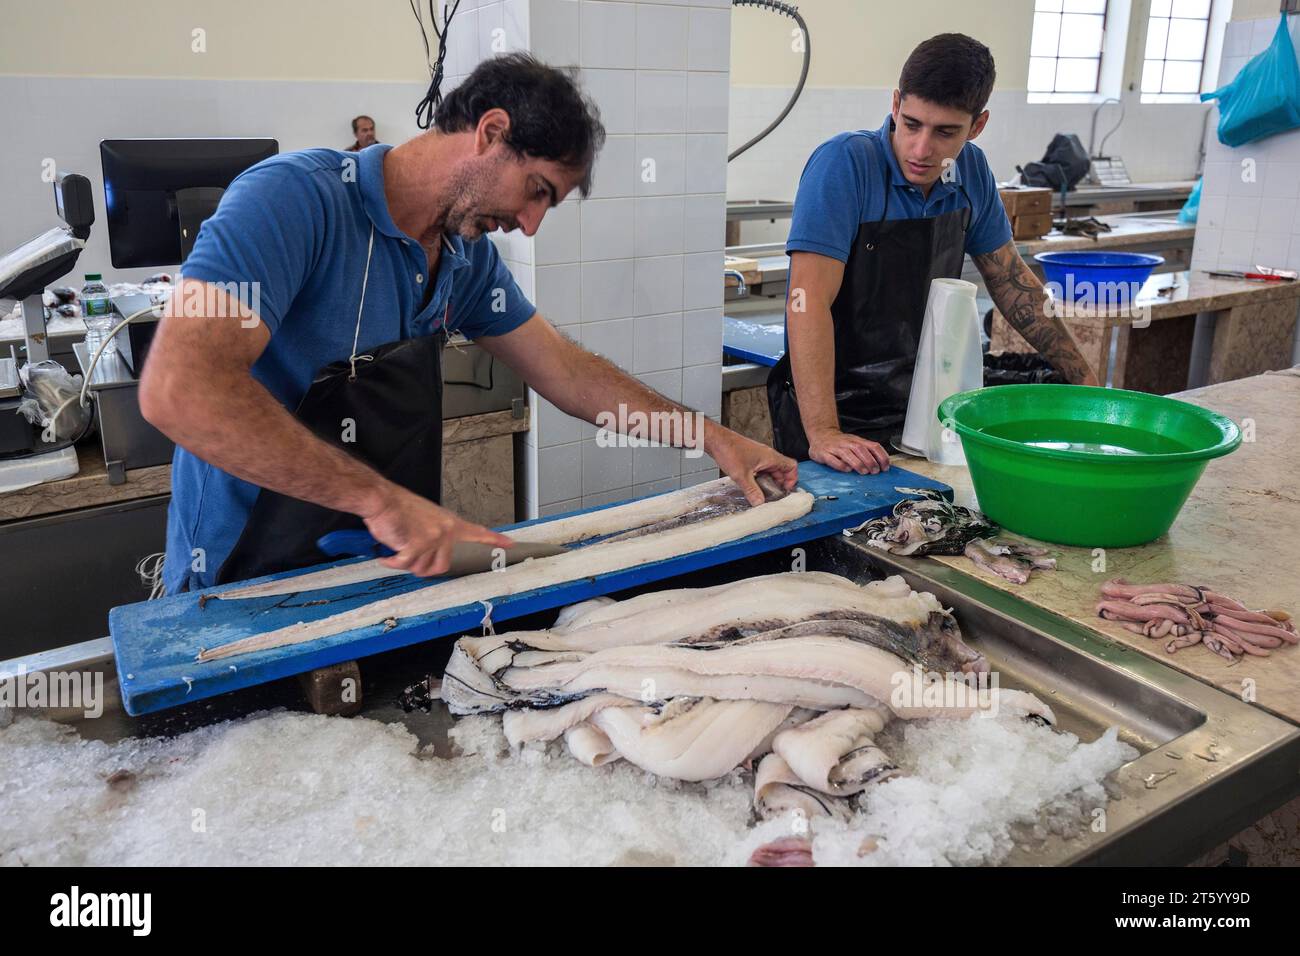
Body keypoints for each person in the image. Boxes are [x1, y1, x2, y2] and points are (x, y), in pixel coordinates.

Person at [142, 54, 796, 594]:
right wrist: (384, 502)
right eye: (537, 190)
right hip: (240, 578)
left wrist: (710, 438)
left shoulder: (464, 260)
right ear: (489, 132)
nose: (532, 223)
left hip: (382, 574)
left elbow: (567, 374)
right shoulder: (292, 201)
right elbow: (180, 389)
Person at [768, 33, 1099, 476]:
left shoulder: (973, 172)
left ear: (977, 126)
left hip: (925, 410)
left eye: (945, 132)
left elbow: (1011, 282)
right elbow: (806, 304)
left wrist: (1085, 379)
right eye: (911, 124)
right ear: (895, 103)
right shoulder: (844, 166)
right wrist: (825, 432)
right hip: (838, 413)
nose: (922, 150)